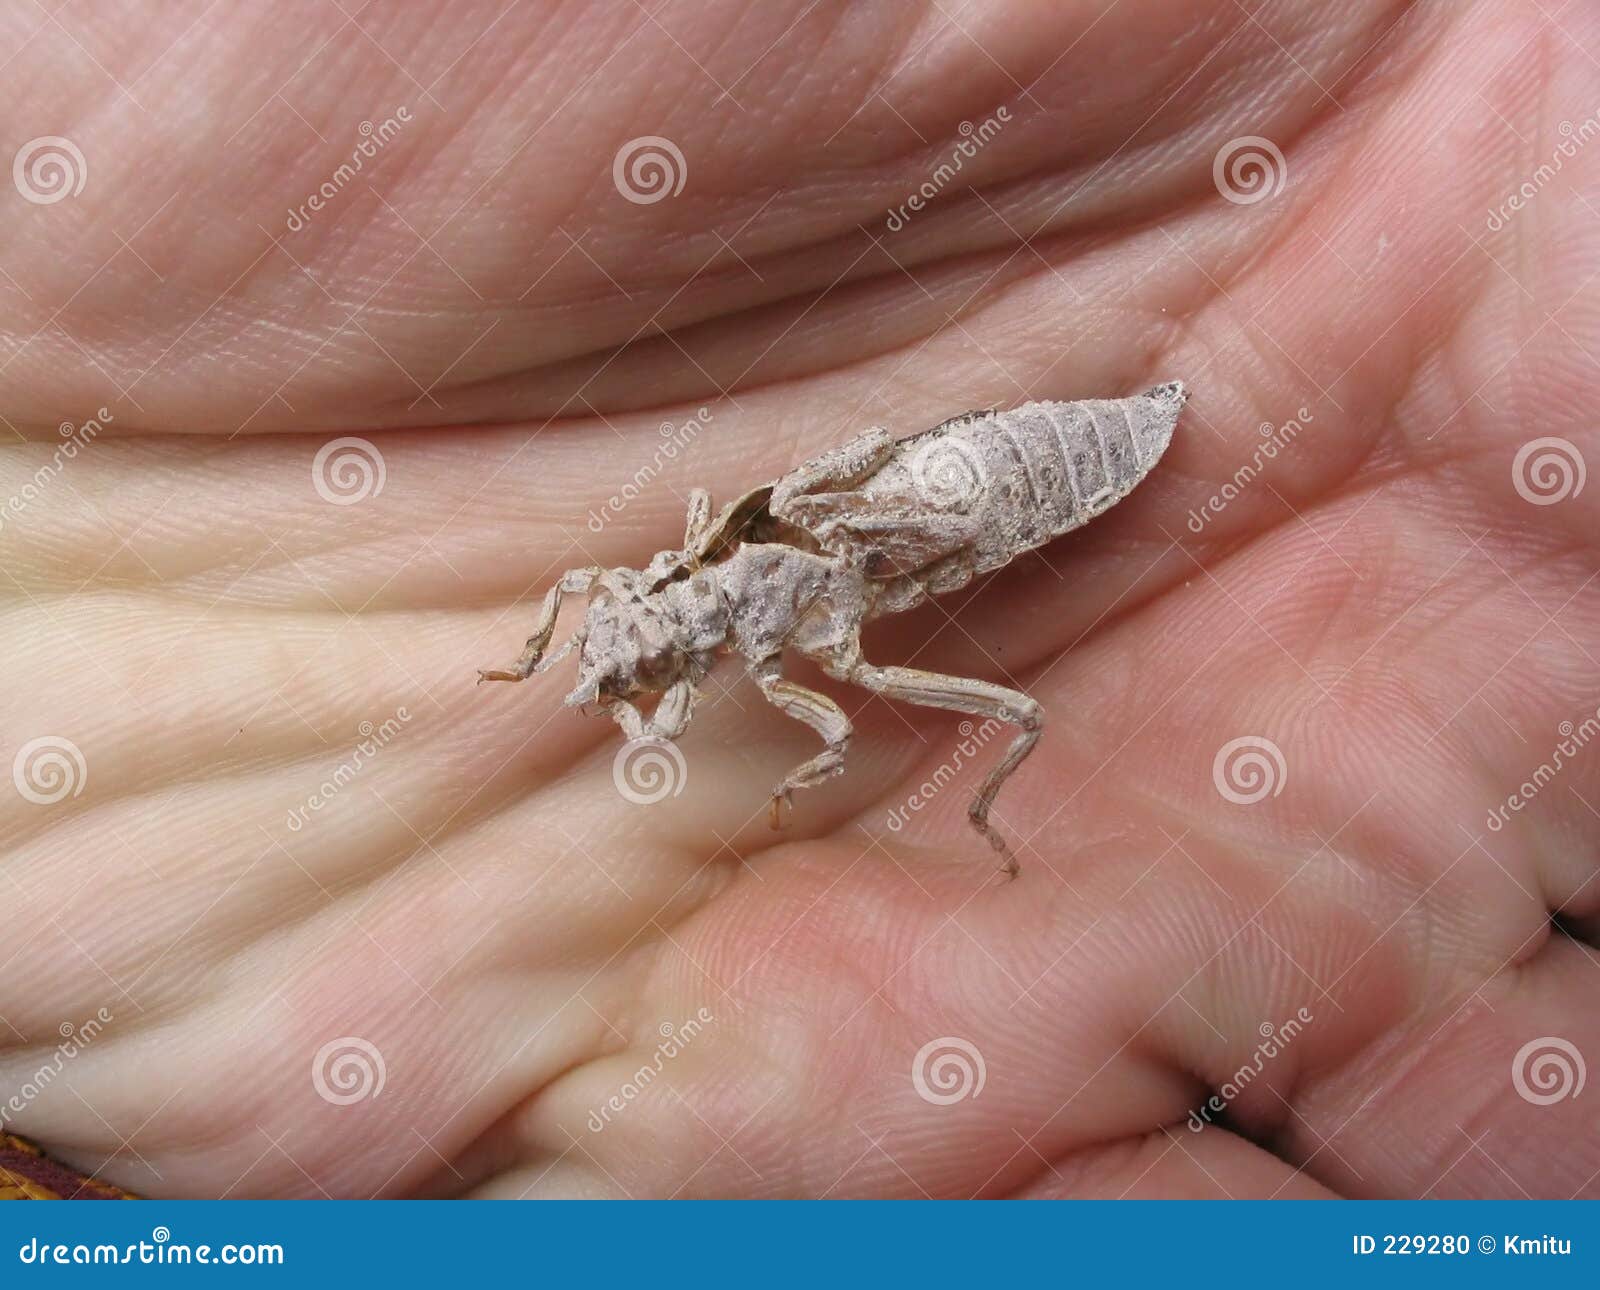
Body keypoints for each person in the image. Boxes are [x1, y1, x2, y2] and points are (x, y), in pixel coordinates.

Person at [0, 0, 1595, 1199]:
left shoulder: (777, 632)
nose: (620, 655)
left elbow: (790, 679)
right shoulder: (718, 586)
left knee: (1017, 704)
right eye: (632, 654)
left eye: (631, 648)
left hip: (1021, 487)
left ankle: (993, 796)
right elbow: (627, 591)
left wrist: (816, 760)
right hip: (923, 507)